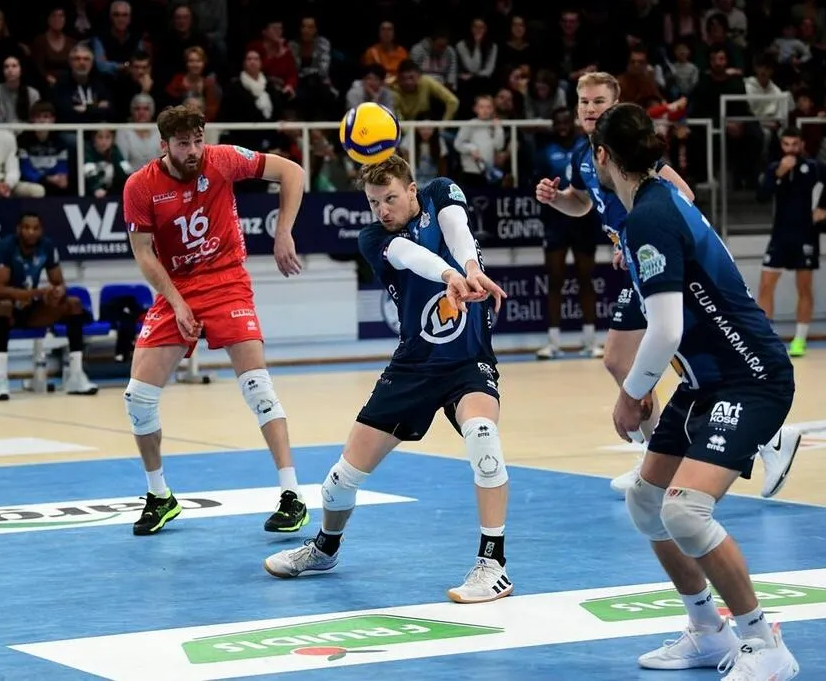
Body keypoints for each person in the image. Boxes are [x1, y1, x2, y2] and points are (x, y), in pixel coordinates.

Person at [595, 103, 799, 680]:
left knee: (685, 511)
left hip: (751, 378)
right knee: (644, 500)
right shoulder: (659, 199)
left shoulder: (652, 217)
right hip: (707, 381)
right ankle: (708, 631)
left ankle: (764, 644)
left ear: (604, 156)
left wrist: (631, 393)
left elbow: (665, 330)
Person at [535, 72, 799, 499]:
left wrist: (647, 237)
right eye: (583, 101)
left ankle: (686, 450)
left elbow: (683, 198)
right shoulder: (582, 157)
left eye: (598, 100)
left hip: (655, 261)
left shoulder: (633, 151)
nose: (588, 108)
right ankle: (686, 449)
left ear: (618, 103)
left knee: (636, 356)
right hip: (640, 263)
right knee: (624, 360)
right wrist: (557, 199)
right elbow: (585, 203)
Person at [263, 155, 513, 604]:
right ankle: (325, 548)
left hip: (467, 361)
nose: (383, 209)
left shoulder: (440, 194)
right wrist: (451, 275)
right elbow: (410, 256)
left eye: (391, 198)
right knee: (339, 481)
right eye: (374, 201)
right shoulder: (375, 238)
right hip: (413, 367)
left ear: (413, 191)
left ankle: (493, 564)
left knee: (483, 440)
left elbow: (456, 228)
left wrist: (471, 267)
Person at [121, 105, 308, 537]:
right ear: (164, 145)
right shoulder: (140, 186)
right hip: (177, 286)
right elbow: (144, 253)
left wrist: (283, 231)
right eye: (183, 143)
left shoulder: (221, 159)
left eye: (198, 140)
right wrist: (176, 302)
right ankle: (160, 496)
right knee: (138, 398)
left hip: (226, 280)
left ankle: (292, 496)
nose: (193, 151)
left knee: (258, 387)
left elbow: (293, 172)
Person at [756, 127, 826, 358]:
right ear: (781, 145)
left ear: (801, 144)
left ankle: (800, 339)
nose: (791, 149)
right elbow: (761, 196)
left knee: (804, 287)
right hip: (780, 234)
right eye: (786, 144)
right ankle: (767, 340)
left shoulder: (816, 168)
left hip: (806, 235)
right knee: (766, 285)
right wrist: (779, 172)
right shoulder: (773, 168)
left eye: (794, 144)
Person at [0, 212, 98, 401]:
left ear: (41, 231)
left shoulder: (46, 246)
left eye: (35, 228)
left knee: (74, 304)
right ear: (19, 230)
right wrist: (34, 294)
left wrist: (57, 291)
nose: (31, 232)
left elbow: (58, 282)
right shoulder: (6, 247)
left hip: (31, 309)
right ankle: (1, 380)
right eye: (27, 228)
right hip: (4, 309)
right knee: (4, 306)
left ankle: (76, 376)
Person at [533, 106, 603, 359]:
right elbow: (539, 188)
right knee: (554, 280)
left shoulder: (586, 148)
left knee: (586, 278)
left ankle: (590, 341)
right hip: (555, 223)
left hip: (585, 221)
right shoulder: (545, 153)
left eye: (566, 122)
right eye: (558, 122)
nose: (562, 126)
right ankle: (553, 343)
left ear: (572, 122)